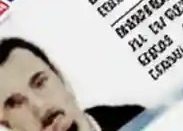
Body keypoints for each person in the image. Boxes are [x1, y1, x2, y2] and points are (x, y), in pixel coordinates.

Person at [0, 38, 144, 131]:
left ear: (60, 77)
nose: (40, 105)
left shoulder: (137, 118)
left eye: (40, 83)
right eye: (15, 103)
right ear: (5, 123)